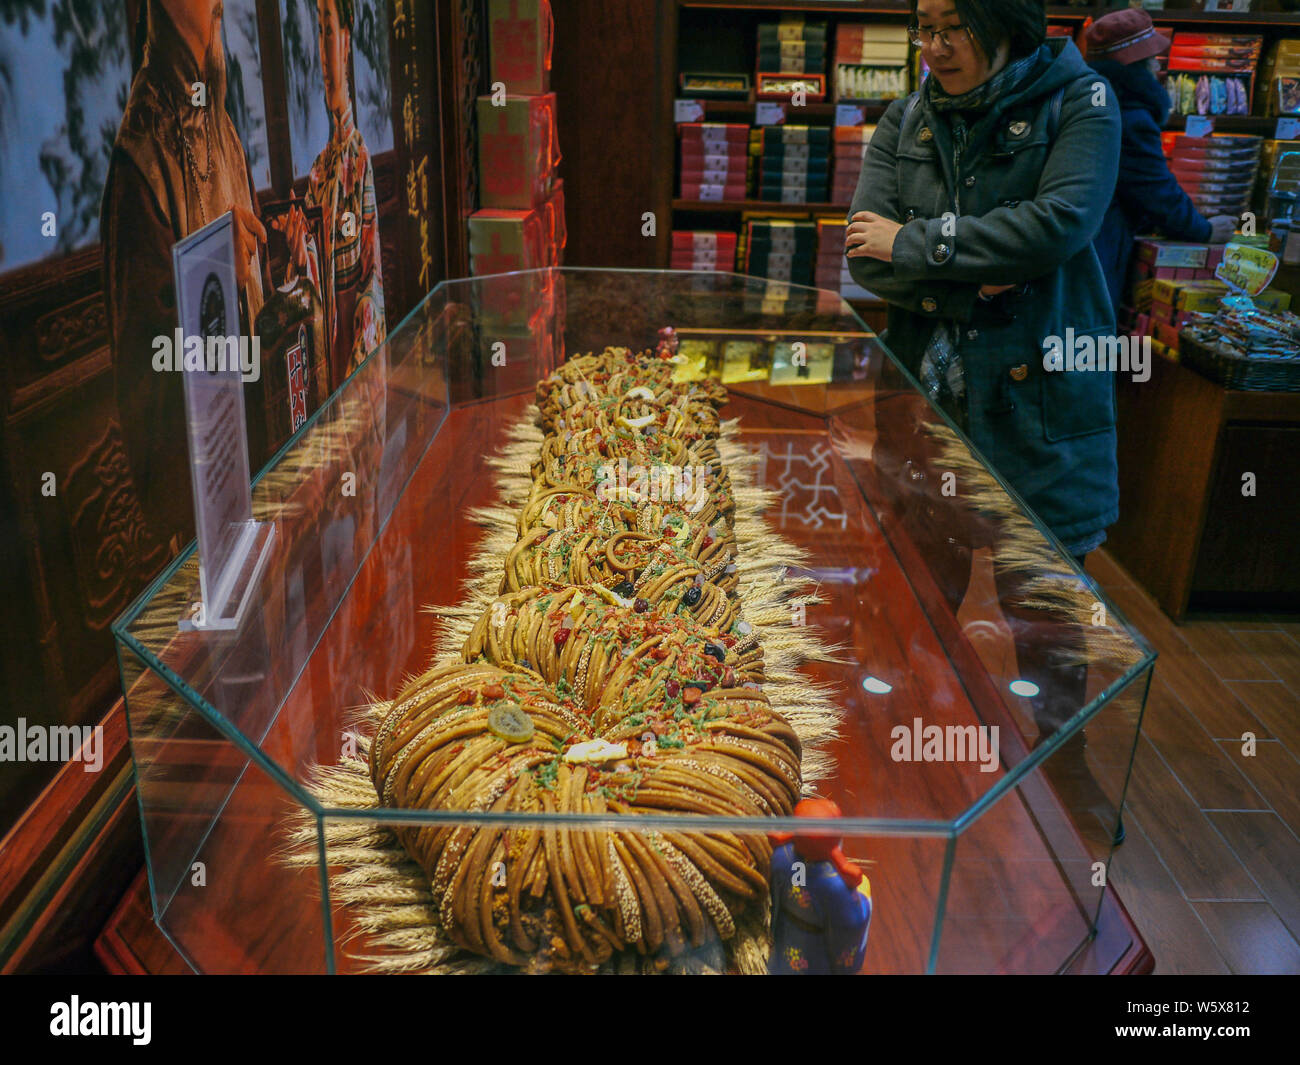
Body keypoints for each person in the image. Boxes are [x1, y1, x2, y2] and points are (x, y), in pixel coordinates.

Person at [845, 0, 1125, 845]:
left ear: (1002, 21)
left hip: (1037, 406)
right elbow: (865, 252)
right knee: (915, 598)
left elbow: (1059, 226)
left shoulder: (1082, 105)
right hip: (925, 409)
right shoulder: (906, 116)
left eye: (950, 28)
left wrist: (919, 246)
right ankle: (918, 756)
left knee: (1044, 614)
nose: (932, 48)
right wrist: (978, 272)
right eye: (922, 29)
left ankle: (1065, 765)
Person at [102, 0, 266, 553]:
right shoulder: (141, 156)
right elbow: (147, 356)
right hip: (201, 497)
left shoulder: (217, 121)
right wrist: (217, 270)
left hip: (253, 454)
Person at [1085, 8, 1238, 316]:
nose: (1157, 65)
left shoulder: (1090, 99)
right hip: (1096, 251)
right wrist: (1204, 231)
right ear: (1136, 64)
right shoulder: (1129, 115)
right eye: (1151, 58)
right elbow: (1153, 187)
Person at [303, 0, 387, 391]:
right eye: (318, 33)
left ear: (347, 41)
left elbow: (372, 263)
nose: (323, 50)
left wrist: (366, 309)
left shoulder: (359, 154)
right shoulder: (320, 168)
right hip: (326, 344)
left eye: (329, 30)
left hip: (351, 340)